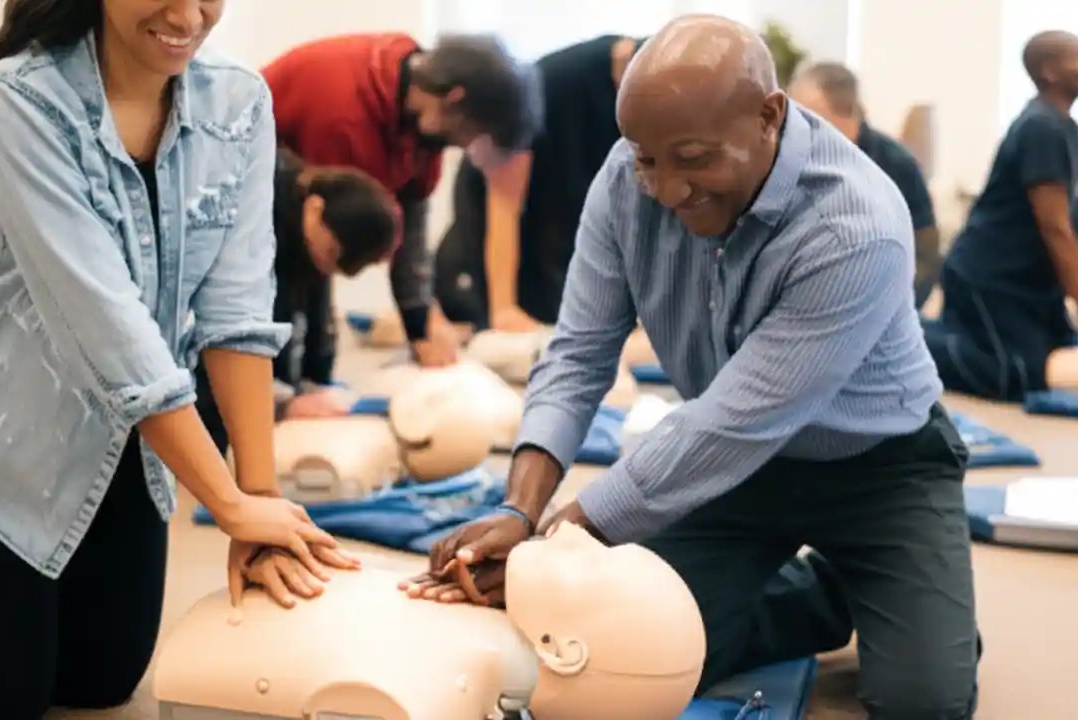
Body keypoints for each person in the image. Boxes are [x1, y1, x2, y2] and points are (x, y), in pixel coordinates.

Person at [403, 14, 980, 720]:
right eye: (648, 158)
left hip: (880, 468)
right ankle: (819, 600)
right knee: (624, 651)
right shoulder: (627, 175)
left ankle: (883, 593)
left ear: (769, 118)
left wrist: (555, 545)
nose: (668, 188)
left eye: (695, 158)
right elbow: (580, 351)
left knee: (922, 702)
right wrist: (518, 508)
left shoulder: (855, 227)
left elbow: (734, 422)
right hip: (734, 476)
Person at [0, 1, 356, 716]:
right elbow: (109, 331)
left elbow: (238, 313)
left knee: (102, 681)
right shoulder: (20, 100)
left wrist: (259, 500)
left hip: (125, 442)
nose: (188, 15)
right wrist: (224, 504)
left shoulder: (239, 102)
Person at [262, 32, 540, 364]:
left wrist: (421, 326)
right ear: (455, 99)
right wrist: (311, 375)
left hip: (302, 226)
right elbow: (316, 250)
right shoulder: (345, 113)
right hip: (263, 221)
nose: (467, 148)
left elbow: (410, 228)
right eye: (474, 135)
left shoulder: (421, 112)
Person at [923, 31, 1078, 401]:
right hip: (991, 278)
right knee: (1018, 377)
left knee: (1059, 355)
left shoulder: (1069, 129)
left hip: (1031, 283)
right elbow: (1054, 230)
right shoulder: (1040, 128)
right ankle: (910, 341)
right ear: (1050, 72)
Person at [194, 147, 402, 452]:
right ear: (316, 208)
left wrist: (314, 384)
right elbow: (216, 338)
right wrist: (281, 404)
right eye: (329, 253)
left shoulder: (310, 239)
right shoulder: (249, 219)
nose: (323, 266)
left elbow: (316, 324)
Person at [433, 35, 641, 332]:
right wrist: (503, 308)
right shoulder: (554, 86)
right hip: (500, 186)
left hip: (555, 194)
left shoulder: (648, 105)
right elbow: (504, 203)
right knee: (497, 317)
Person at [788, 61, 941, 308]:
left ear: (845, 111)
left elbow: (924, 258)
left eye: (803, 113)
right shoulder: (796, 158)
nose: (791, 124)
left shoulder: (895, 166)